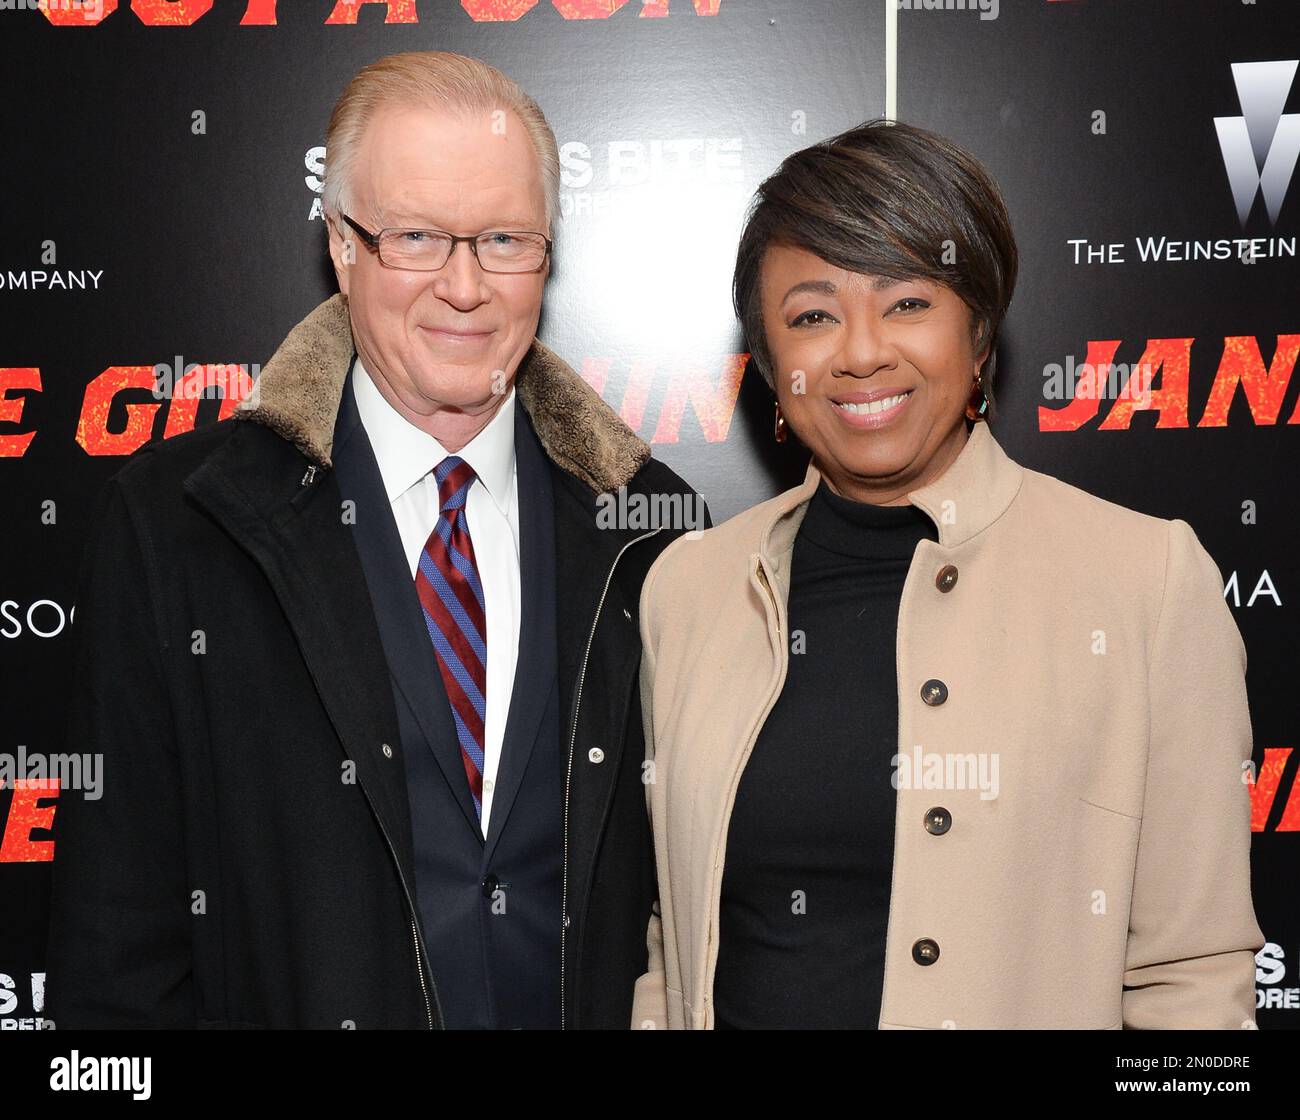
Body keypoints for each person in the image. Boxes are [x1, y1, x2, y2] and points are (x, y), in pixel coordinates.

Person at [46, 50, 704, 1030]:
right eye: (417, 238)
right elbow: (116, 956)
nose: (466, 286)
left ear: (548, 252)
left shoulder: (650, 528)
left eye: (504, 238)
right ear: (341, 245)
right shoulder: (180, 526)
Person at [632, 119, 1264, 1030]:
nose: (859, 352)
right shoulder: (687, 591)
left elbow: (1193, 977)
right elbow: (667, 941)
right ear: (772, 366)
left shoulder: (1146, 582)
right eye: (812, 315)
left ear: (979, 335)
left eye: (908, 303)